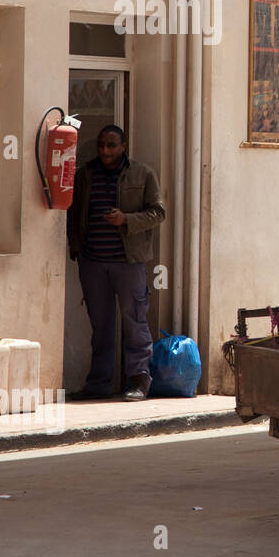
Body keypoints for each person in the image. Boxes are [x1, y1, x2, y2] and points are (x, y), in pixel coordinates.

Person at [67, 125, 166, 401]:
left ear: (124, 145)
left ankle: (138, 381)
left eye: (111, 146)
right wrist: (77, 249)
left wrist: (127, 220)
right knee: (101, 326)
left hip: (128, 263)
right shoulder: (86, 174)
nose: (105, 151)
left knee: (135, 322)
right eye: (101, 145)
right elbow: (72, 215)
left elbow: (158, 212)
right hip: (93, 263)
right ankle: (98, 383)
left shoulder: (142, 174)